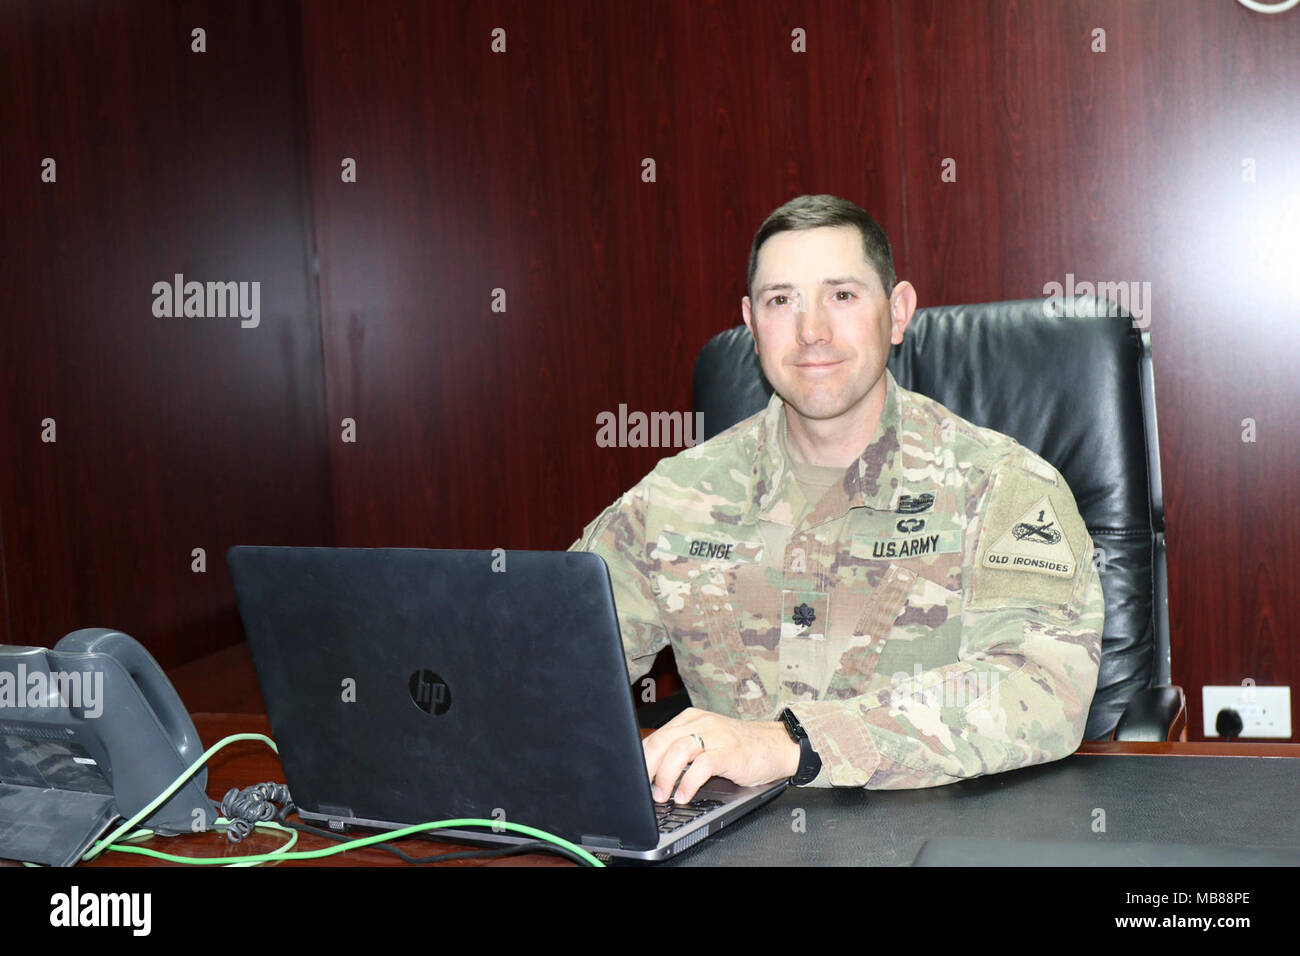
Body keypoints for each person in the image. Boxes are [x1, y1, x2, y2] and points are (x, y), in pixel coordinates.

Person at [569, 194, 1104, 805]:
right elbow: (556, 659)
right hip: (731, 847)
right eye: (781, 301)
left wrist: (794, 745)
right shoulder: (674, 499)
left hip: (925, 841)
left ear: (897, 312)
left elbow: (1039, 690)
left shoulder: (1004, 486)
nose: (811, 331)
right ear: (751, 325)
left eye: (842, 295)